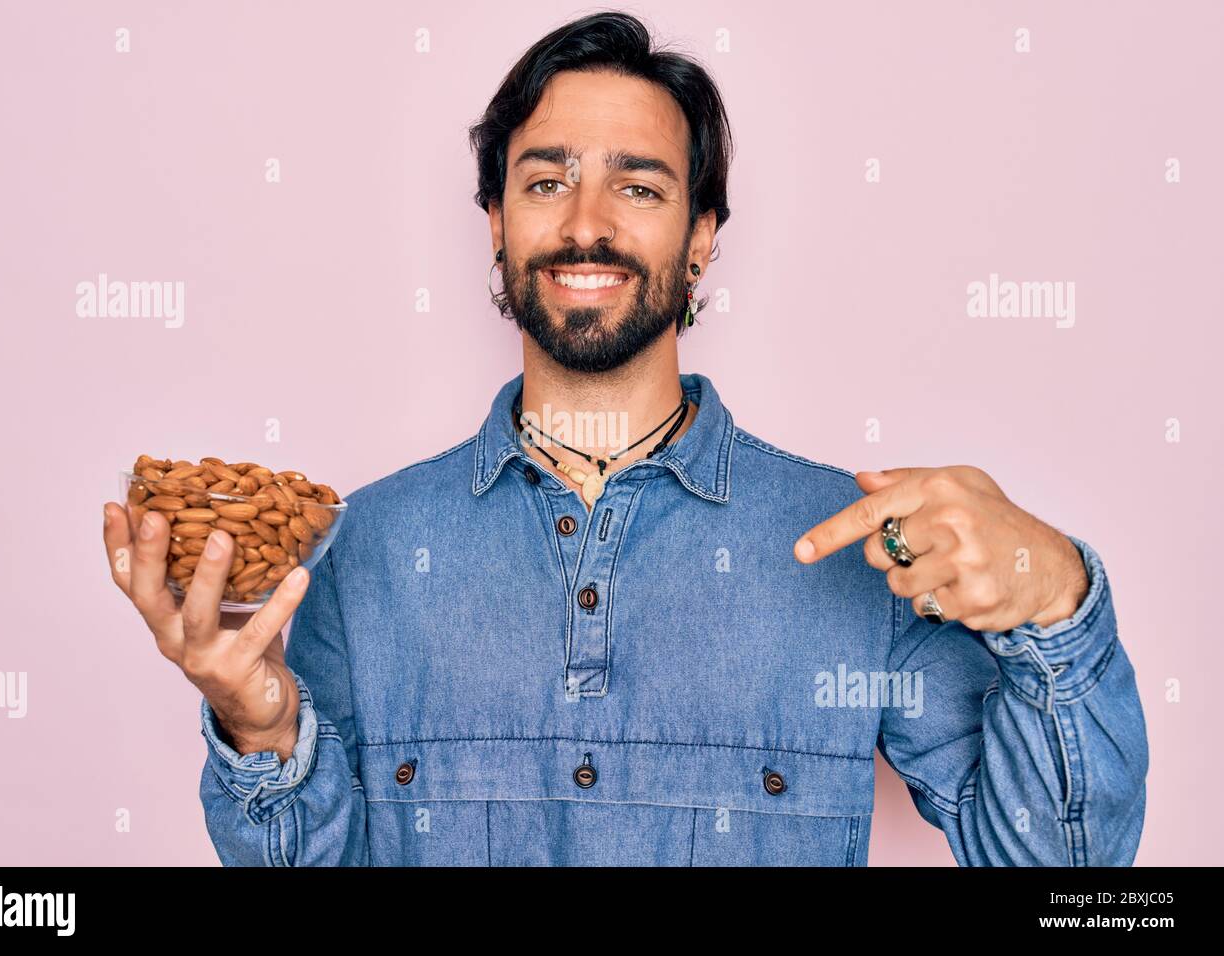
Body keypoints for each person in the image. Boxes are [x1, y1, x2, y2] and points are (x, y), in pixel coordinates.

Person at [102, 12, 1147, 866]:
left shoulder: (858, 547)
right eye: (545, 181)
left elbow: (1066, 867)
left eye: (638, 186)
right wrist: (260, 724)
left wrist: (1055, 593)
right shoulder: (359, 548)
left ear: (699, 239)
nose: (585, 221)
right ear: (498, 226)